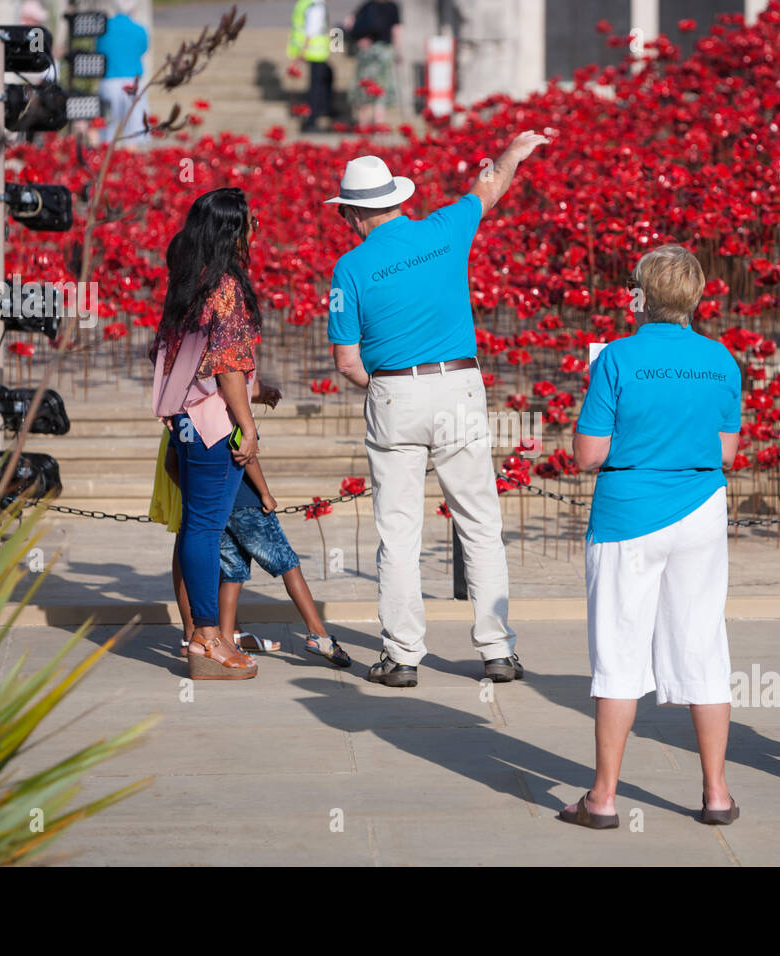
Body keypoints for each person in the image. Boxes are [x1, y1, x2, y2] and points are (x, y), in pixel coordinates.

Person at [326, 130, 549, 687]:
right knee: (479, 523)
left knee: (397, 532)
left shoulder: (350, 268)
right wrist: (514, 153)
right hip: (458, 386)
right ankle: (496, 651)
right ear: (398, 200)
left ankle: (403, 657)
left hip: (394, 391)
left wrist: (383, 387)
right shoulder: (445, 229)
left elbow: (346, 361)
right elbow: (489, 186)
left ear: (353, 214)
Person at [560, 245, 742, 829]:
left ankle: (604, 799)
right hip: (701, 513)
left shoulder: (616, 358)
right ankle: (717, 794)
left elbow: (587, 455)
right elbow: (727, 452)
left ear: (641, 295)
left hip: (628, 516)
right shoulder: (721, 360)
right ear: (694, 297)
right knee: (704, 646)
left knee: (618, 654)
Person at [153, 392, 355, 669]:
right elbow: (246, 456)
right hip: (247, 504)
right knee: (288, 565)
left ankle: (226, 640)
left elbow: (170, 465)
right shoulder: (225, 412)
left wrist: (195, 496)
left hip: (215, 511)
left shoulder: (182, 418)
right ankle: (317, 633)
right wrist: (265, 494)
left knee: (233, 575)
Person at [150, 187, 262, 680]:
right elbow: (228, 366)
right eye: (249, 221)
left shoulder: (188, 282)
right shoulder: (225, 287)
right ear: (233, 230)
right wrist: (248, 425)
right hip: (214, 423)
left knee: (196, 528)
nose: (255, 229)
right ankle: (207, 638)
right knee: (205, 528)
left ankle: (200, 634)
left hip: (185, 422)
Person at [96, 0, 149, 146]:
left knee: (107, 130)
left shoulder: (104, 28)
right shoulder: (140, 29)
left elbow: (98, 49)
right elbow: (143, 50)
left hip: (109, 82)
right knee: (134, 131)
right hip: (132, 82)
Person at [345, 0, 400, 128]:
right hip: (384, 51)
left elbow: (349, 22)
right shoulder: (392, 6)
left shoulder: (367, 5)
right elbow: (396, 30)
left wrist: (358, 38)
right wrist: (397, 51)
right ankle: (379, 124)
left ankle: (363, 124)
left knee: (365, 86)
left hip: (367, 51)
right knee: (381, 87)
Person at [288, 0, 334, 133]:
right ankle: (312, 120)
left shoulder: (304, 3)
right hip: (315, 51)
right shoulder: (316, 5)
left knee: (326, 76)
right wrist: (302, 52)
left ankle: (324, 111)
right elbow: (312, 29)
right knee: (316, 87)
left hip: (311, 50)